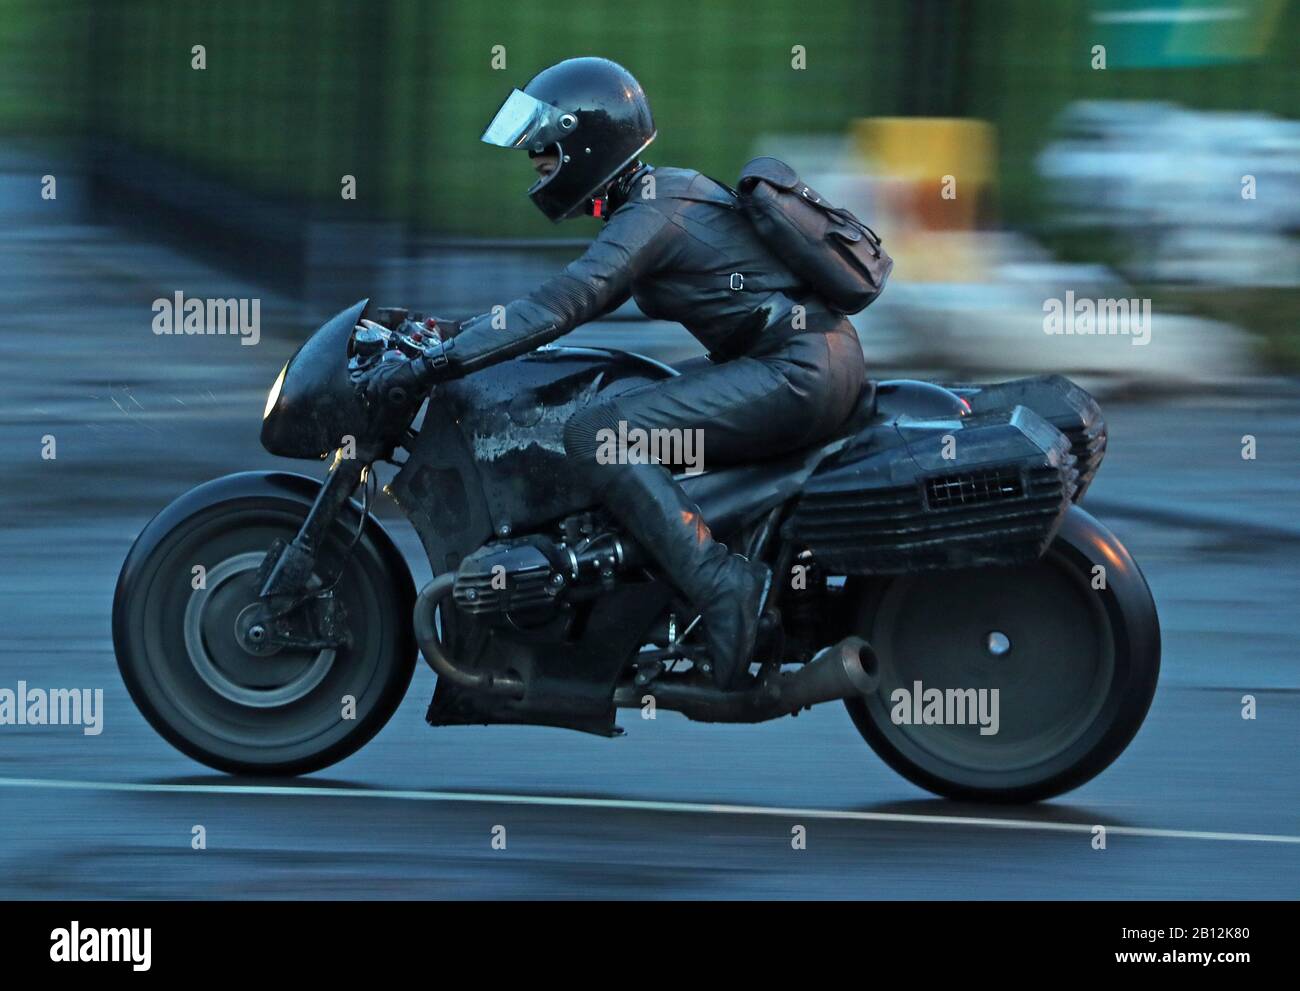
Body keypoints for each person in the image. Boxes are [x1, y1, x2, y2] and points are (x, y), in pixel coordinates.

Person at [359, 57, 866, 689]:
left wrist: (437, 362)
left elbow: (562, 304)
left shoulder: (655, 211)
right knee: (625, 400)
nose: (535, 165)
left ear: (586, 143)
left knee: (601, 435)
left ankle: (724, 585)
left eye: (544, 151)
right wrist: (445, 335)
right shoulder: (656, 198)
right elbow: (551, 303)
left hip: (798, 372)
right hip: (806, 360)